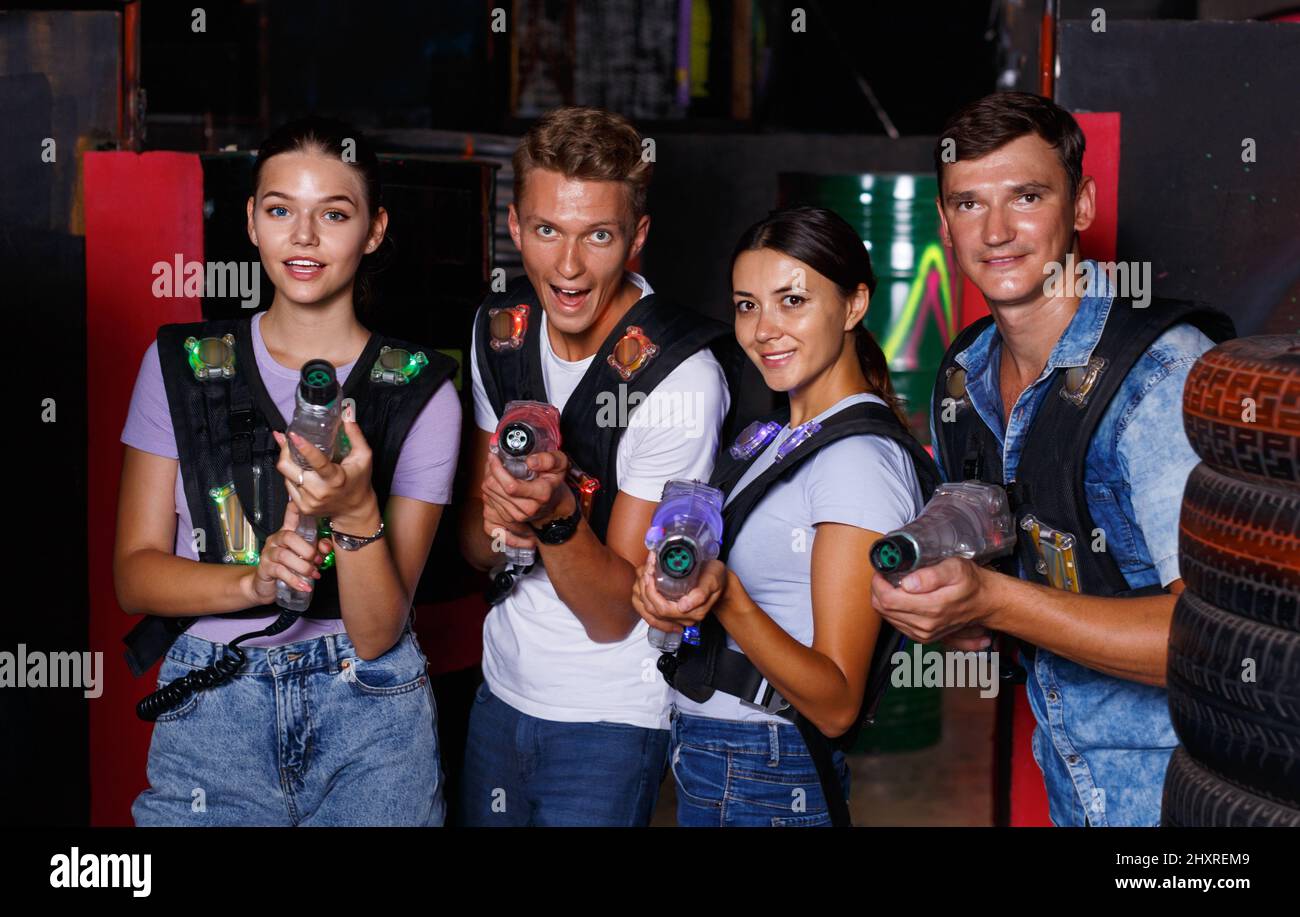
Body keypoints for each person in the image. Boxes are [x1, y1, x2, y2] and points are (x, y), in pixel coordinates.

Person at [870, 92, 1233, 827]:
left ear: (1082, 205)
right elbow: (1031, 593)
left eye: (1027, 196)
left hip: (1187, 807)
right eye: (969, 204)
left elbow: (1213, 640)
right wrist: (957, 613)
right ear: (944, 224)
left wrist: (994, 601)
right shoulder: (964, 378)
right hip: (1076, 788)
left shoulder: (1162, 374)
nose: (997, 231)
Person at [116, 117, 461, 826]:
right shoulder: (181, 365)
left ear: (373, 229)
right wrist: (256, 580)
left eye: (333, 214)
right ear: (251, 221)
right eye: (280, 210)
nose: (303, 239)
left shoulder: (422, 389)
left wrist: (357, 511)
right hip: (213, 703)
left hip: (370, 714)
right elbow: (135, 575)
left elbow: (375, 632)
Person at [458, 106, 733, 826]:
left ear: (636, 239)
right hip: (499, 688)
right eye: (547, 230)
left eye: (598, 235)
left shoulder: (681, 378)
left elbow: (615, 613)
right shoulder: (499, 331)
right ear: (515, 227)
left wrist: (551, 516)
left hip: (611, 715)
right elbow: (473, 545)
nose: (569, 266)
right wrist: (500, 523)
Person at [631, 206, 939, 827]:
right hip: (720, 755)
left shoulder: (855, 460)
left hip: (765, 768)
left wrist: (726, 599)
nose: (764, 329)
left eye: (791, 301)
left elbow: (837, 702)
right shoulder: (779, 437)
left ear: (853, 306)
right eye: (747, 305)